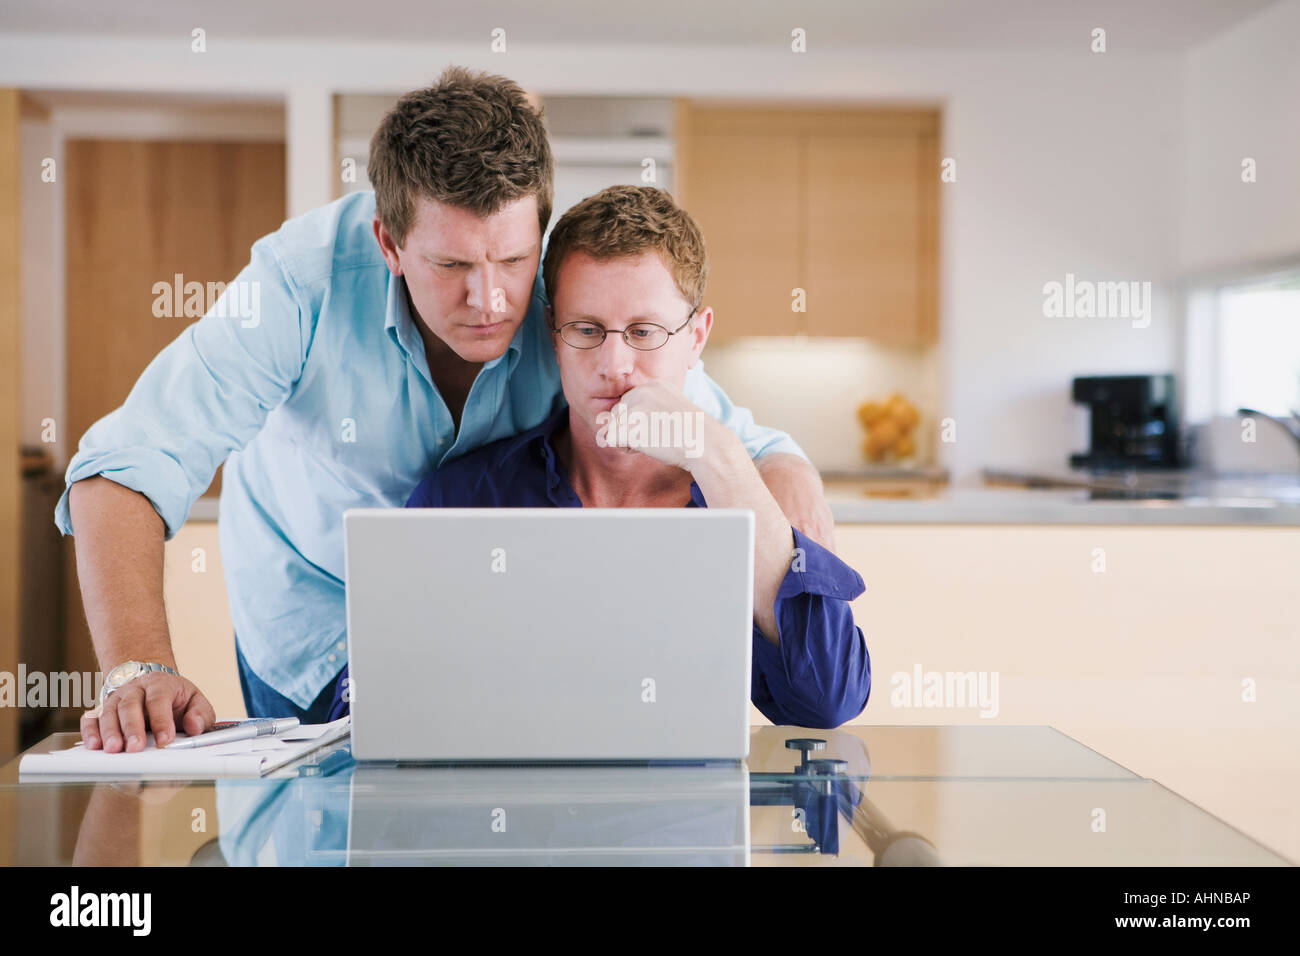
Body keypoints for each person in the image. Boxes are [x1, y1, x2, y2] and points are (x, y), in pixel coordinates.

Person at [63, 67, 835, 752]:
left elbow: (724, 429)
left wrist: (786, 479)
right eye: (452, 265)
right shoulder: (298, 285)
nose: (491, 299)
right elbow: (129, 465)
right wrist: (141, 669)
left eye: (512, 259)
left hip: (484, 638)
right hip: (311, 621)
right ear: (390, 243)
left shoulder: (568, 302)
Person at [330, 185, 869, 728]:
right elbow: (363, 710)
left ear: (697, 337)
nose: (615, 364)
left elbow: (825, 700)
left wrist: (716, 453)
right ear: (553, 333)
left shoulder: (734, 500)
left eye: (644, 331)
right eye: (586, 330)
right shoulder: (463, 498)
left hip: (687, 809)